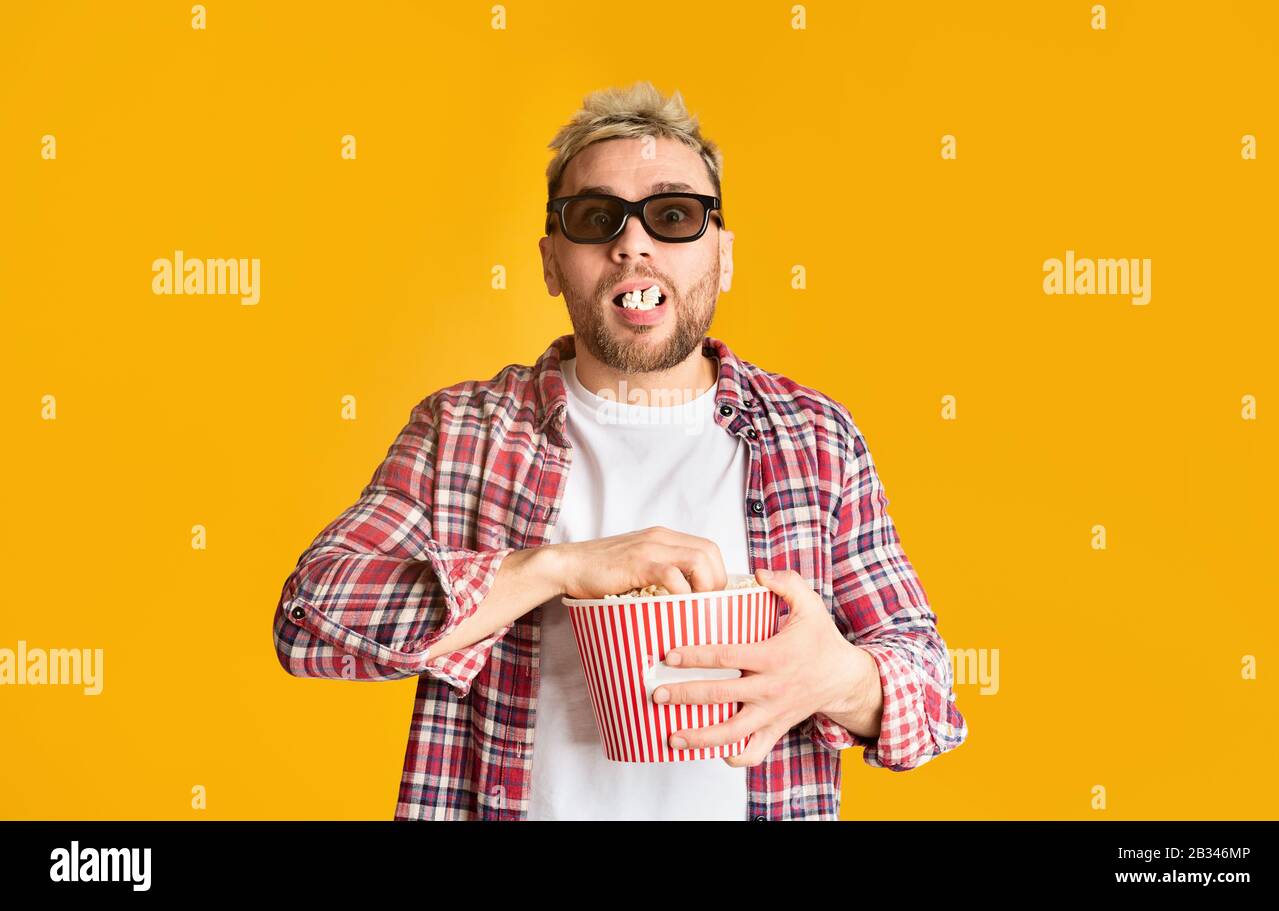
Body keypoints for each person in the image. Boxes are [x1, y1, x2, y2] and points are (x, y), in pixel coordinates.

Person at [273, 81, 968, 821]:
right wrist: (554, 568)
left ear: (724, 257)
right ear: (550, 262)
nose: (632, 242)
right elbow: (309, 618)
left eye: (673, 215)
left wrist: (843, 678)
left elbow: (931, 700)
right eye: (596, 216)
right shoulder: (464, 432)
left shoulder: (815, 439)